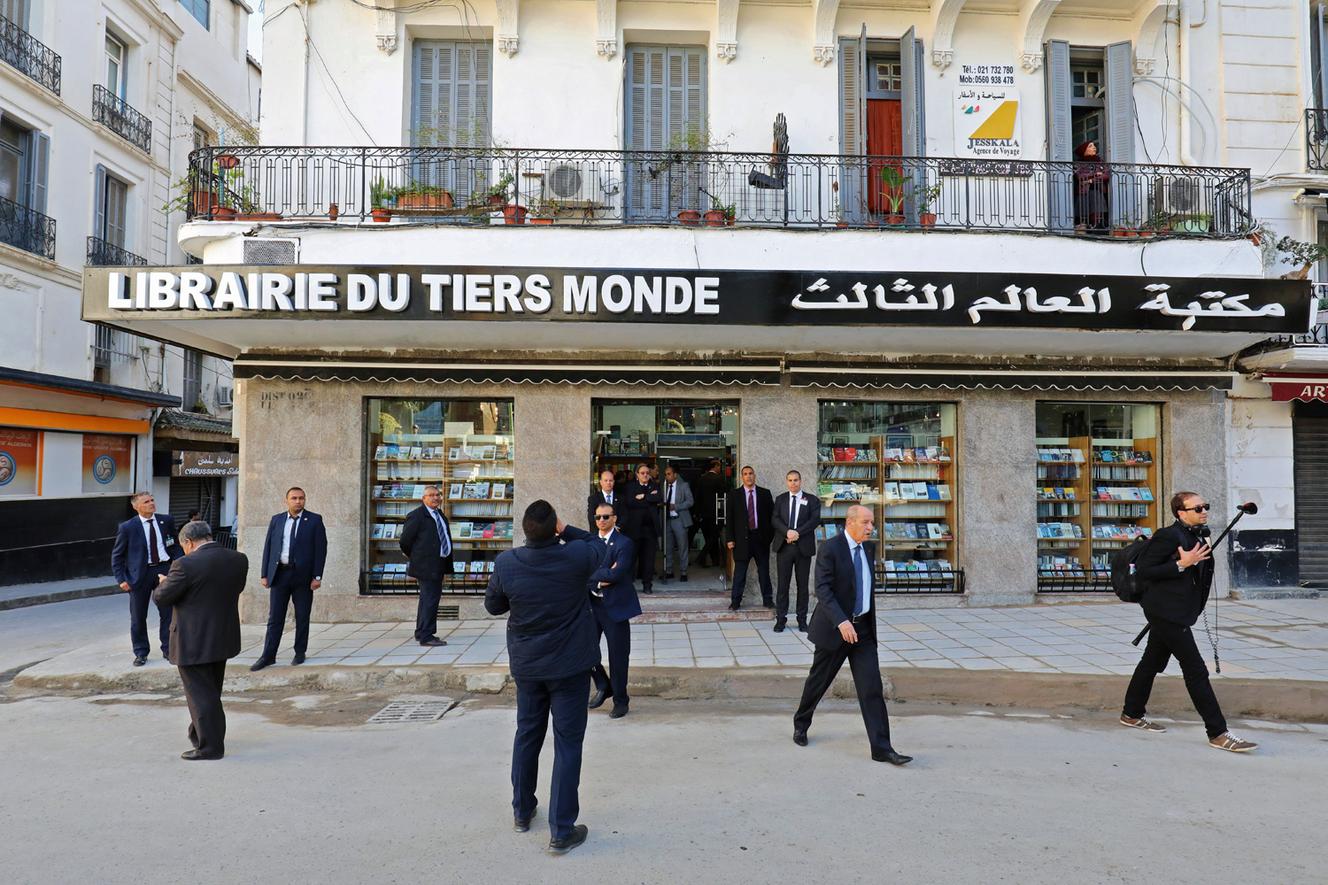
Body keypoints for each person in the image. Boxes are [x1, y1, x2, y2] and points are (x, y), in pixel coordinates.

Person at [485, 501, 604, 855]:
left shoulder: (507, 563)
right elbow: (597, 544)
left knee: (527, 734)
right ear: (555, 528)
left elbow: (493, 605)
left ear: (524, 529)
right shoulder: (575, 556)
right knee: (568, 745)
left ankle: (522, 811)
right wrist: (566, 530)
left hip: (530, 667)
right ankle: (561, 830)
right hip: (569, 666)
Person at [1121, 491, 1258, 753]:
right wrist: (1182, 564)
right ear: (1181, 513)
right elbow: (1145, 570)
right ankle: (1218, 733)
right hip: (1166, 612)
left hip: (1178, 610)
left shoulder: (1196, 534)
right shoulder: (1168, 535)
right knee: (1196, 671)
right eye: (1197, 508)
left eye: (1205, 506)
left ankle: (1131, 713)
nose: (1203, 511)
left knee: (1151, 662)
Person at [793, 505, 911, 765]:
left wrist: (858, 621)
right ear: (850, 522)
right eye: (866, 522)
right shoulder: (830, 548)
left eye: (872, 523)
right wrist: (842, 621)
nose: (871, 528)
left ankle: (881, 748)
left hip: (863, 631)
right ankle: (801, 723)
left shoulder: (868, 549)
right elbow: (823, 589)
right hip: (835, 630)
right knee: (818, 682)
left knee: (871, 688)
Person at [153, 520, 248, 761]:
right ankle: (203, 734)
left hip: (192, 639)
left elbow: (162, 598)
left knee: (200, 695)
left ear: (188, 542)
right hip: (223, 635)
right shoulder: (238, 559)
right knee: (211, 690)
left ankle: (210, 747)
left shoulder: (184, 565)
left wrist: (164, 583)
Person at [251, 487, 328, 671]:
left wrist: (317, 576)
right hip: (280, 575)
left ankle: (299, 652)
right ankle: (268, 655)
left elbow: (321, 549)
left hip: (303, 576)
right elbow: (269, 547)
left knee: (302, 616)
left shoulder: (314, 520)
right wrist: (264, 574)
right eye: (294, 498)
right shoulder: (277, 520)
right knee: (275, 617)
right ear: (286, 500)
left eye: (301, 498)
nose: (298, 501)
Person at [111, 491, 182, 666]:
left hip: (164, 569)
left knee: (168, 613)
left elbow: (174, 545)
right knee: (138, 616)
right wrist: (121, 579)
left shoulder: (166, 520)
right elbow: (117, 555)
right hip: (139, 575)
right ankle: (141, 652)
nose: (151, 503)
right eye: (146, 502)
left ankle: (168, 649)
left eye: (152, 500)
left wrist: (180, 563)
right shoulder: (127, 527)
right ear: (136, 507)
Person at [587, 502, 641, 718]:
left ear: (614, 518)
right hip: (592, 605)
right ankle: (602, 683)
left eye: (606, 517)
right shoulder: (589, 543)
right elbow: (583, 571)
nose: (601, 520)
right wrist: (601, 577)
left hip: (615, 607)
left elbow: (617, 575)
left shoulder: (624, 543)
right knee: (584, 649)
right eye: (598, 517)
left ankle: (620, 700)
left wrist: (593, 576)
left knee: (618, 657)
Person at [399, 485, 454, 647]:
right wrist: (416, 556)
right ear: (423, 498)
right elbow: (405, 541)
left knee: (426, 599)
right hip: (426, 565)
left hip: (438, 563)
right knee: (430, 600)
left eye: (438, 495)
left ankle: (420, 631)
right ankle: (427, 636)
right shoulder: (417, 515)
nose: (436, 498)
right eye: (431, 495)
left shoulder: (439, 514)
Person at [771, 469, 821, 633]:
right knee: (783, 586)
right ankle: (781, 620)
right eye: (790, 480)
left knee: (803, 586)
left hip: (803, 548)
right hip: (784, 547)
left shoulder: (811, 500)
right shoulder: (780, 499)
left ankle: (802, 620)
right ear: (787, 482)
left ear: (801, 481)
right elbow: (775, 519)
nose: (793, 483)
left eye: (796, 480)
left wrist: (797, 533)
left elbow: (814, 520)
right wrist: (787, 532)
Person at [724, 465, 774, 610]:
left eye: (751, 473)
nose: (748, 476)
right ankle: (735, 602)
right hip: (741, 540)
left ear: (754, 475)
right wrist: (730, 539)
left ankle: (768, 600)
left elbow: (772, 517)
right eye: (745, 474)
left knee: (764, 572)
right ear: (742, 477)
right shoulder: (734, 494)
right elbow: (729, 518)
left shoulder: (765, 493)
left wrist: (768, 537)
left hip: (761, 539)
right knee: (739, 573)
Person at [621, 463, 662, 594]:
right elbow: (630, 502)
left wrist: (643, 497)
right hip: (634, 529)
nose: (645, 475)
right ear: (637, 475)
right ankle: (627, 585)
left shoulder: (654, 485)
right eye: (642, 473)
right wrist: (649, 499)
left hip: (650, 529)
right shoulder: (630, 487)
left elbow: (659, 498)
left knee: (649, 559)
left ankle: (647, 585)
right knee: (631, 558)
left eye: (647, 473)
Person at [661, 465, 694, 582]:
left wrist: (676, 506)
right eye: (665, 474)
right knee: (668, 547)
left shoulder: (683, 485)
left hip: (679, 519)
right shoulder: (664, 486)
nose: (667, 476)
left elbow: (690, 501)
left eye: (669, 474)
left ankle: (683, 571)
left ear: (675, 475)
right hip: (667, 520)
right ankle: (669, 570)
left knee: (682, 547)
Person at [694, 459, 726, 568]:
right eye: (719, 466)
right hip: (716, 513)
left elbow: (697, 497)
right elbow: (723, 496)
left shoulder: (701, 479)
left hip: (704, 514)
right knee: (714, 537)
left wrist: (697, 513)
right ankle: (702, 557)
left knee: (709, 537)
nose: (720, 468)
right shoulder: (719, 478)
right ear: (715, 466)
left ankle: (714, 560)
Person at [1073, 140, 1110, 232]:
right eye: (1090, 146)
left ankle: (1097, 226)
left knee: (1098, 206)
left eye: (1094, 146)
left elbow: (1106, 175)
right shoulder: (1078, 164)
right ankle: (1085, 227)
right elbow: (1080, 176)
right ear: (1084, 150)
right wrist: (1095, 174)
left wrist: (1090, 180)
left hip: (1098, 189)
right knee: (1084, 210)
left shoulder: (1100, 162)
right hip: (1083, 192)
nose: (1094, 147)